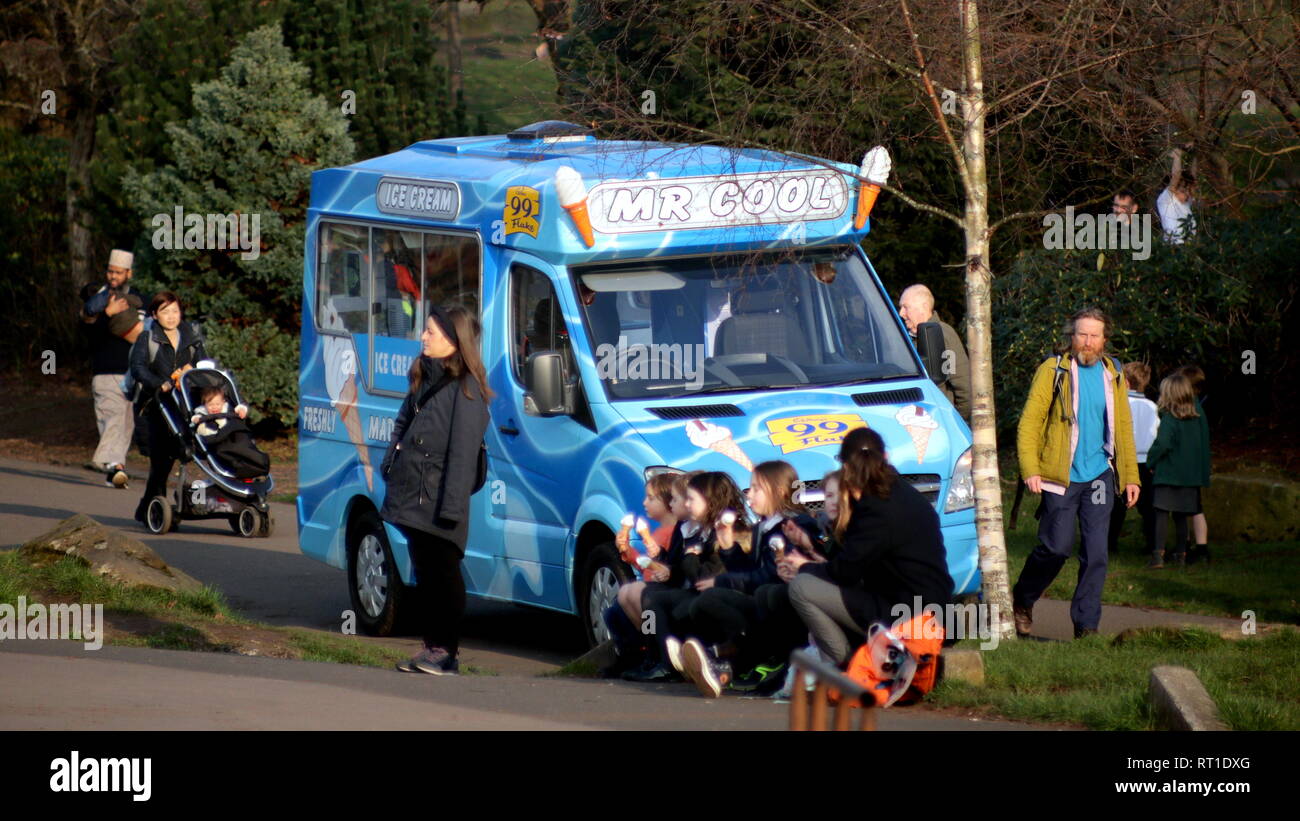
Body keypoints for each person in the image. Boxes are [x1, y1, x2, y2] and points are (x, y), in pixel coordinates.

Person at [1011, 308, 1140, 639]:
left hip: (1099, 475)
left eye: (1094, 336)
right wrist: (1031, 469)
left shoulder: (1114, 374)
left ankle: (1086, 626)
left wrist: (1130, 476)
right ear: (1072, 337)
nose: (1087, 342)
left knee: (1097, 552)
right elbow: (1029, 422)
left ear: (1104, 340)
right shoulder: (1053, 371)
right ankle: (1022, 601)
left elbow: (1122, 427)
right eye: (1082, 334)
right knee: (1056, 547)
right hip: (1059, 475)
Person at [780, 427, 953, 667]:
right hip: (931, 606)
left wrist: (805, 567)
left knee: (802, 587)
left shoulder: (875, 508)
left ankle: (841, 667)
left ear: (847, 468)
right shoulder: (904, 495)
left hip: (908, 614)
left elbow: (846, 572)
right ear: (886, 458)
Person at [384, 305, 492, 676]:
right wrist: (389, 461)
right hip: (414, 494)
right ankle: (431, 648)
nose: (424, 337)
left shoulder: (467, 390)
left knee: (443, 576)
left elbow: (463, 456)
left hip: (439, 500)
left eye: (431, 331)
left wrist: (451, 508)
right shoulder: (424, 376)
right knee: (426, 576)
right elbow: (402, 421)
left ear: (453, 339)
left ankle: (446, 652)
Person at [679, 460, 821, 698]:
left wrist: (721, 581)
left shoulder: (794, 525)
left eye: (756, 488)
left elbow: (769, 575)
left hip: (785, 607)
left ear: (780, 492)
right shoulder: (763, 528)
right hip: (762, 600)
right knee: (705, 602)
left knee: (716, 597)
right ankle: (721, 659)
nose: (749, 493)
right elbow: (752, 571)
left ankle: (734, 658)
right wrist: (729, 549)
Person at [630, 472, 748, 682]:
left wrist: (689, 559)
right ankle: (653, 655)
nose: (685, 503)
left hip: (712, 594)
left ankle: (668, 662)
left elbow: (703, 578)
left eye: (690, 499)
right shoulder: (686, 529)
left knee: (655, 600)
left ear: (711, 502)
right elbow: (679, 566)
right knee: (649, 596)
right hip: (688, 588)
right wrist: (665, 565)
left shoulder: (721, 533)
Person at [130, 292, 208, 525]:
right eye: (165, 311)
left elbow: (203, 363)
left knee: (183, 456)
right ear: (155, 314)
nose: (171, 316)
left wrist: (193, 373)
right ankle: (157, 510)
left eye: (175, 310)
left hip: (183, 406)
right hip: (155, 407)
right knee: (161, 463)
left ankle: (150, 509)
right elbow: (138, 368)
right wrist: (159, 383)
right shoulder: (148, 338)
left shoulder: (191, 337)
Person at [80, 249, 147, 488]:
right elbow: (89, 337)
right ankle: (103, 460)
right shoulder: (96, 300)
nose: (113, 276)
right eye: (110, 271)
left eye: (118, 272)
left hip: (131, 373)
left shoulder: (138, 298)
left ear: (129, 273)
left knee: (126, 424)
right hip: (106, 371)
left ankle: (115, 470)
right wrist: (107, 314)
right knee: (114, 418)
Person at [1145, 372, 1211, 568]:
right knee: (1182, 516)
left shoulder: (1169, 418)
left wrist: (1150, 461)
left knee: (1162, 514)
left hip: (1168, 474)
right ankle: (1181, 554)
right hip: (1189, 476)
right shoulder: (1196, 417)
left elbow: (1163, 443)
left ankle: (1158, 554)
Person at [896, 284, 972, 423]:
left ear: (923, 307)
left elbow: (964, 386)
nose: (901, 313)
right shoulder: (906, 338)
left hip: (940, 423)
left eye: (906, 307)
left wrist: (954, 422)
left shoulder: (943, 334)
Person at [1109, 361, 1159, 554]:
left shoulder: (1120, 405)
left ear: (1126, 382)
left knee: (1116, 507)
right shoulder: (1152, 406)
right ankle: (1153, 545)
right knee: (1149, 508)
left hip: (1123, 461)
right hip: (1147, 462)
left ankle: (1109, 544)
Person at [1176, 365, 1211, 564]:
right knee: (1195, 507)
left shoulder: (1187, 409)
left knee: (1188, 508)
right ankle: (1200, 547)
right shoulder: (1198, 407)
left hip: (1187, 468)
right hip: (1196, 467)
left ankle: (1191, 546)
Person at [1156, 147, 1196, 244]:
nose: (1187, 193)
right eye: (1183, 190)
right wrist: (1177, 156)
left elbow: (1194, 180)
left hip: (1188, 248)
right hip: (1174, 247)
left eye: (1187, 190)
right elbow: (1176, 176)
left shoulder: (1186, 204)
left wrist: (1196, 153)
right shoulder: (1166, 200)